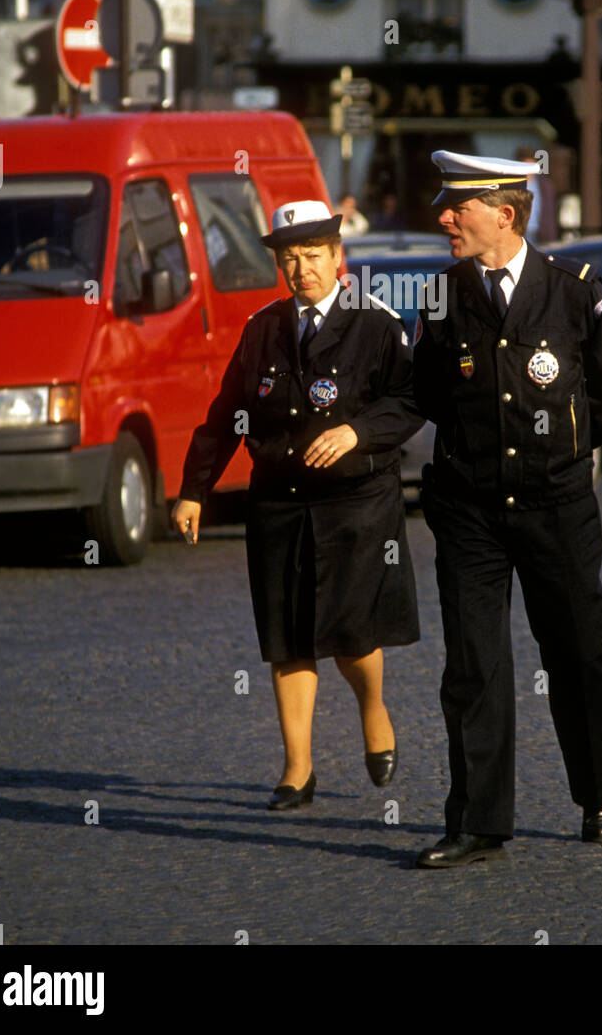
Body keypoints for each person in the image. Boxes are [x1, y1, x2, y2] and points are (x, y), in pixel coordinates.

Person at [411, 152, 602, 868]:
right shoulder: (442, 294)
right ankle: (479, 822)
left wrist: (565, 450)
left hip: (556, 507)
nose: (443, 216)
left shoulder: (571, 289)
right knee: (474, 664)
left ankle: (595, 793)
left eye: (458, 205)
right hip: (470, 507)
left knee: (577, 652)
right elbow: (426, 395)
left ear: (504, 214)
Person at [172, 201, 423, 809]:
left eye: (313, 256)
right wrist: (194, 490)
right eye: (290, 258)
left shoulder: (378, 324)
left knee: (351, 635)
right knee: (287, 638)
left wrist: (357, 432)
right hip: (280, 502)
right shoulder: (264, 328)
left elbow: (411, 402)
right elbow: (228, 412)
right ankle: (297, 769)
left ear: (339, 257)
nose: (301, 269)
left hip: (357, 501)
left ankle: (374, 711)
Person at [516, 145, 558, 244]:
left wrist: (551, 234)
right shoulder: (514, 184)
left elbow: (549, 211)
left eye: (531, 164)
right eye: (525, 164)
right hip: (519, 230)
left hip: (539, 231)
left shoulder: (544, 184)